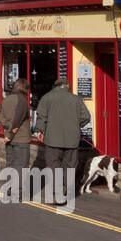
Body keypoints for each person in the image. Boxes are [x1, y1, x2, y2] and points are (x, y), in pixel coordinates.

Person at [32, 75, 90, 204]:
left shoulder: (47, 97)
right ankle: (65, 192)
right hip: (72, 140)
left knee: (53, 166)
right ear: (67, 87)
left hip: (52, 139)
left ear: (55, 86)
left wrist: (40, 131)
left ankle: (57, 194)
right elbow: (86, 116)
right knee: (69, 166)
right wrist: (76, 125)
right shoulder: (76, 99)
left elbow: (41, 117)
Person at [0, 78, 32, 194]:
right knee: (21, 165)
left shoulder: (6, 99)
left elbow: (1, 118)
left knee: (10, 163)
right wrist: (11, 133)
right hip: (21, 137)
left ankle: (8, 188)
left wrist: (8, 132)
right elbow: (17, 120)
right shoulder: (22, 100)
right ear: (24, 88)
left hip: (8, 137)